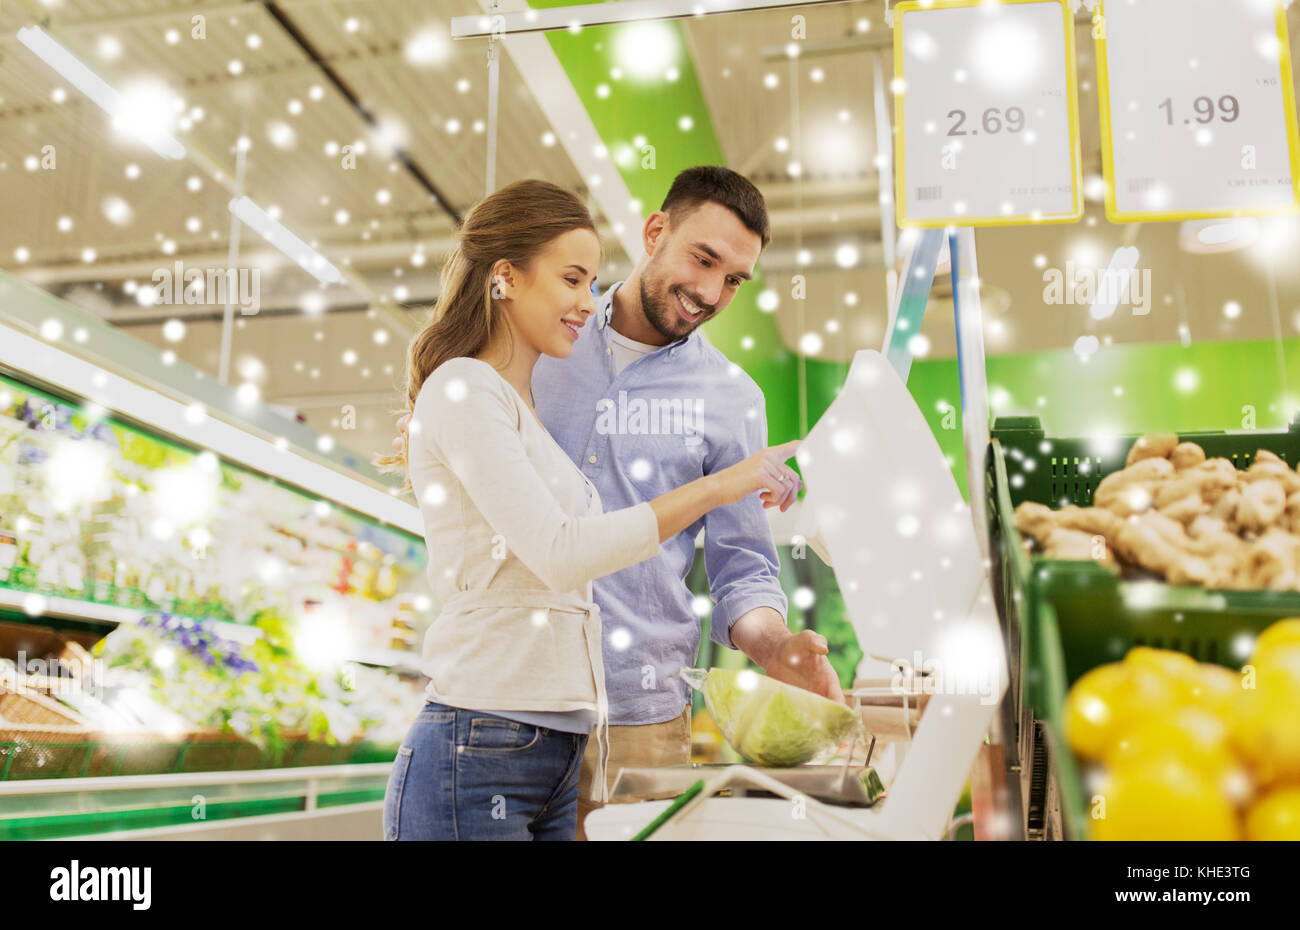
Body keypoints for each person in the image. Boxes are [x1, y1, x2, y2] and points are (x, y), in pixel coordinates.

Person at [395, 167, 843, 840]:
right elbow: (541, 534)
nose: (712, 292)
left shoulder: (732, 398)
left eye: (734, 280)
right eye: (704, 259)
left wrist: (773, 646)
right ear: (655, 231)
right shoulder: (540, 341)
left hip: (640, 718)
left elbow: (743, 566)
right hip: (506, 700)